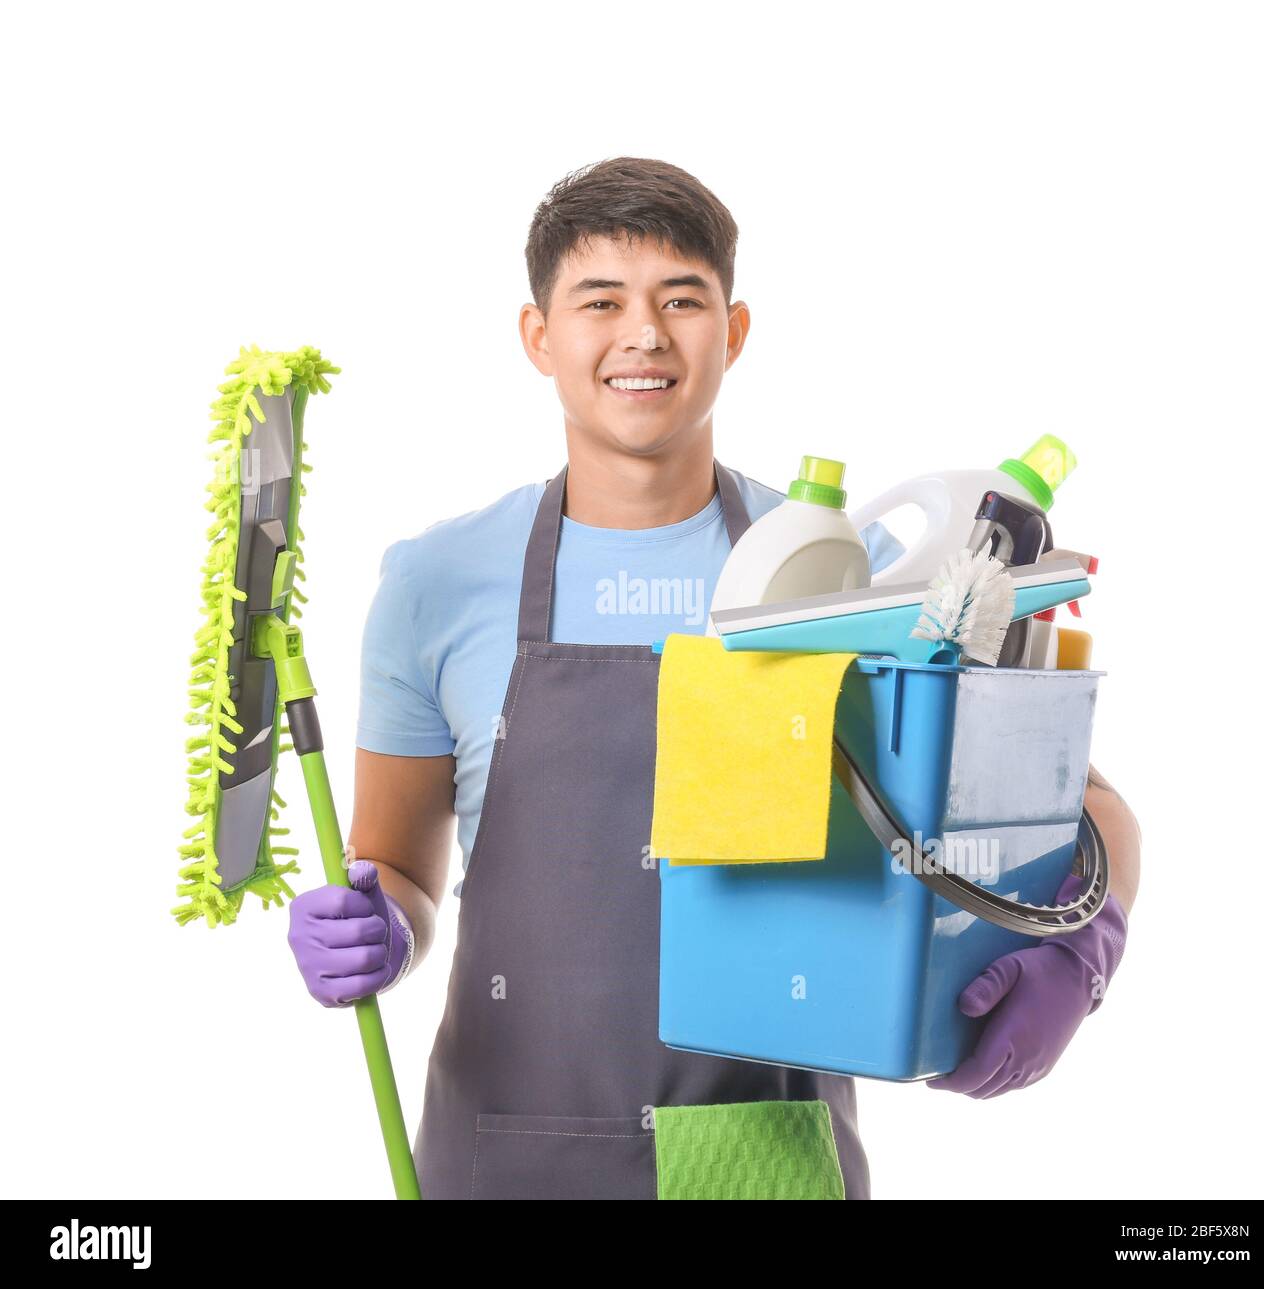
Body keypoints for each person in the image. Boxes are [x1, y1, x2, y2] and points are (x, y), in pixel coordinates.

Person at [287, 157, 1141, 1200]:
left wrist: (1083, 946)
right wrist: (378, 924)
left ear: (732, 332)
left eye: (680, 300)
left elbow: (1086, 808)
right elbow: (403, 871)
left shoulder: (840, 574)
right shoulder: (435, 582)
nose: (642, 334)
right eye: (599, 301)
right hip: (503, 1147)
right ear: (538, 337)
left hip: (764, 1159)